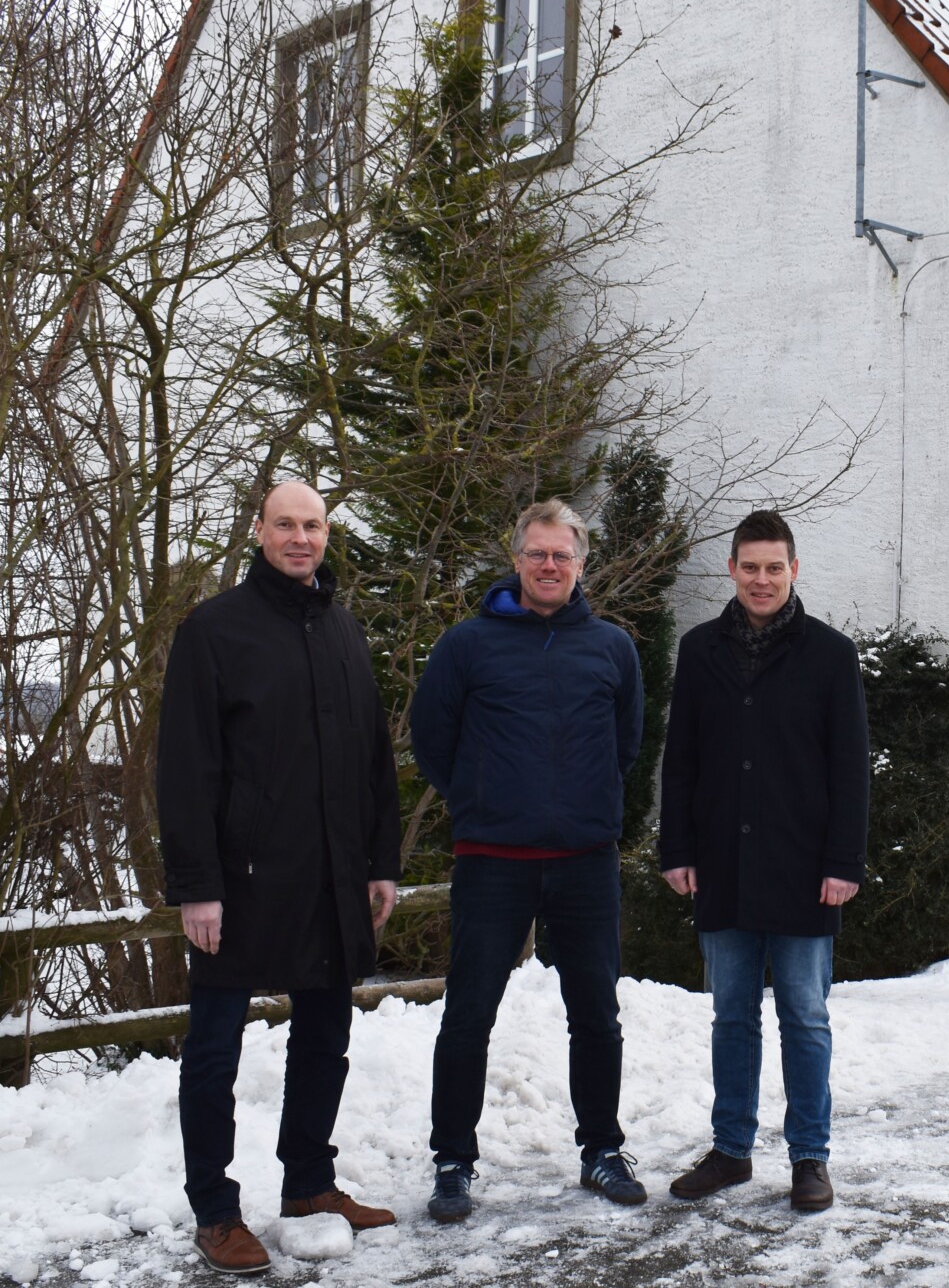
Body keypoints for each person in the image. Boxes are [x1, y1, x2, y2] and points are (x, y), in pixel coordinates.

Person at [157, 481, 403, 1276]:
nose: (301, 537)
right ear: (259, 531)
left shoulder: (341, 629)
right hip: (240, 883)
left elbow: (372, 758)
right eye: (286, 524)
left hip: (332, 878)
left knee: (326, 1037)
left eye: (314, 525)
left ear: (327, 534)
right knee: (215, 1051)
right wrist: (197, 883)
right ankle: (216, 1211)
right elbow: (188, 767)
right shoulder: (214, 630)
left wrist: (381, 862)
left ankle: (308, 1182)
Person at [412, 498, 646, 1222]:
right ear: (516, 560)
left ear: (581, 565)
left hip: (584, 860)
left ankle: (602, 1148)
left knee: (597, 1016)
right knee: (468, 1014)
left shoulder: (612, 648)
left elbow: (628, 743)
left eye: (563, 555)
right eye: (538, 553)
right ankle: (453, 1159)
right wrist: (480, 799)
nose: (551, 565)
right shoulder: (467, 645)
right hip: (493, 859)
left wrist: (588, 806)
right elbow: (432, 736)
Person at [658, 509, 869, 1214]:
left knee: (805, 1016)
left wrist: (845, 860)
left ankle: (810, 1156)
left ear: (794, 570)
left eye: (774, 567)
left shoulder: (831, 654)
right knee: (731, 1016)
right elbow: (680, 759)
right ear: (732, 570)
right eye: (750, 566)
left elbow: (850, 771)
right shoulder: (699, 649)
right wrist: (677, 847)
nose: (761, 578)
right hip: (721, 863)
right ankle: (731, 1150)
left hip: (807, 867)